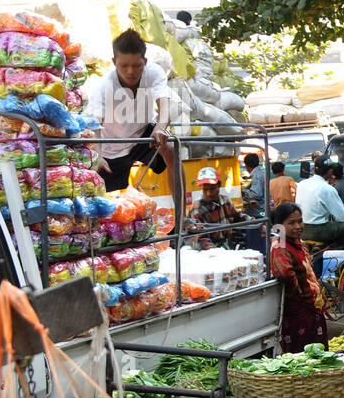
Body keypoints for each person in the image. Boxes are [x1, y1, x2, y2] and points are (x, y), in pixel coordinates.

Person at [84, 29, 177, 200]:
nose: (130, 72)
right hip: (112, 148)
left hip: (142, 137)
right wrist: (98, 154)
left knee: (172, 149)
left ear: (145, 61)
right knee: (111, 200)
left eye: (136, 65)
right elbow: (94, 125)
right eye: (124, 66)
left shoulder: (154, 73)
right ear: (114, 62)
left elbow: (165, 107)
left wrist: (160, 129)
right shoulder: (103, 85)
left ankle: (182, 218)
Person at [269, 202, 329, 352]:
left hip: (311, 307)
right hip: (299, 310)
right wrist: (302, 294)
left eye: (300, 221)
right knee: (304, 354)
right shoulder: (280, 246)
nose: (298, 226)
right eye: (291, 223)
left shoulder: (298, 243)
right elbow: (284, 273)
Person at [295, 159, 344, 246]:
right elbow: (343, 218)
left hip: (303, 229)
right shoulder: (327, 188)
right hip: (318, 232)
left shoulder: (302, 183)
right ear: (330, 171)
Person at [184, 167, 241, 250]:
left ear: (219, 185)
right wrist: (215, 251)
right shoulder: (197, 209)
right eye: (205, 189)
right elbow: (200, 239)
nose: (208, 193)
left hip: (226, 245)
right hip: (209, 251)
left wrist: (256, 224)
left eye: (212, 189)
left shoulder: (225, 201)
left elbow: (238, 217)